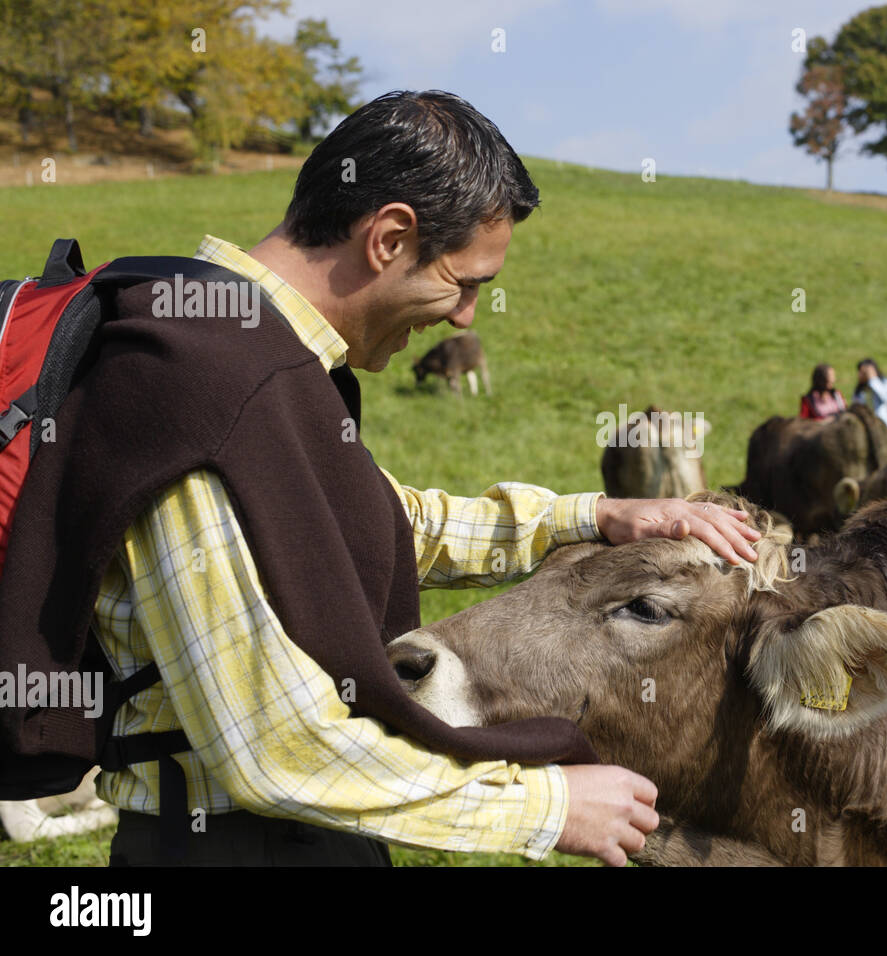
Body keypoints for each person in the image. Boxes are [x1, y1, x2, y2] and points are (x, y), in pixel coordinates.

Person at [0, 90, 761, 868]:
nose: (465, 318)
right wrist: (548, 805)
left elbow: (372, 523)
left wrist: (592, 517)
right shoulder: (198, 378)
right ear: (391, 237)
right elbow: (272, 747)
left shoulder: (249, 351)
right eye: (464, 282)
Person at [851, 358, 887, 435]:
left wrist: (873, 379)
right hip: (869, 430)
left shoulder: (885, 383)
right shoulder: (859, 390)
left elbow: (886, 398)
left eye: (865, 372)